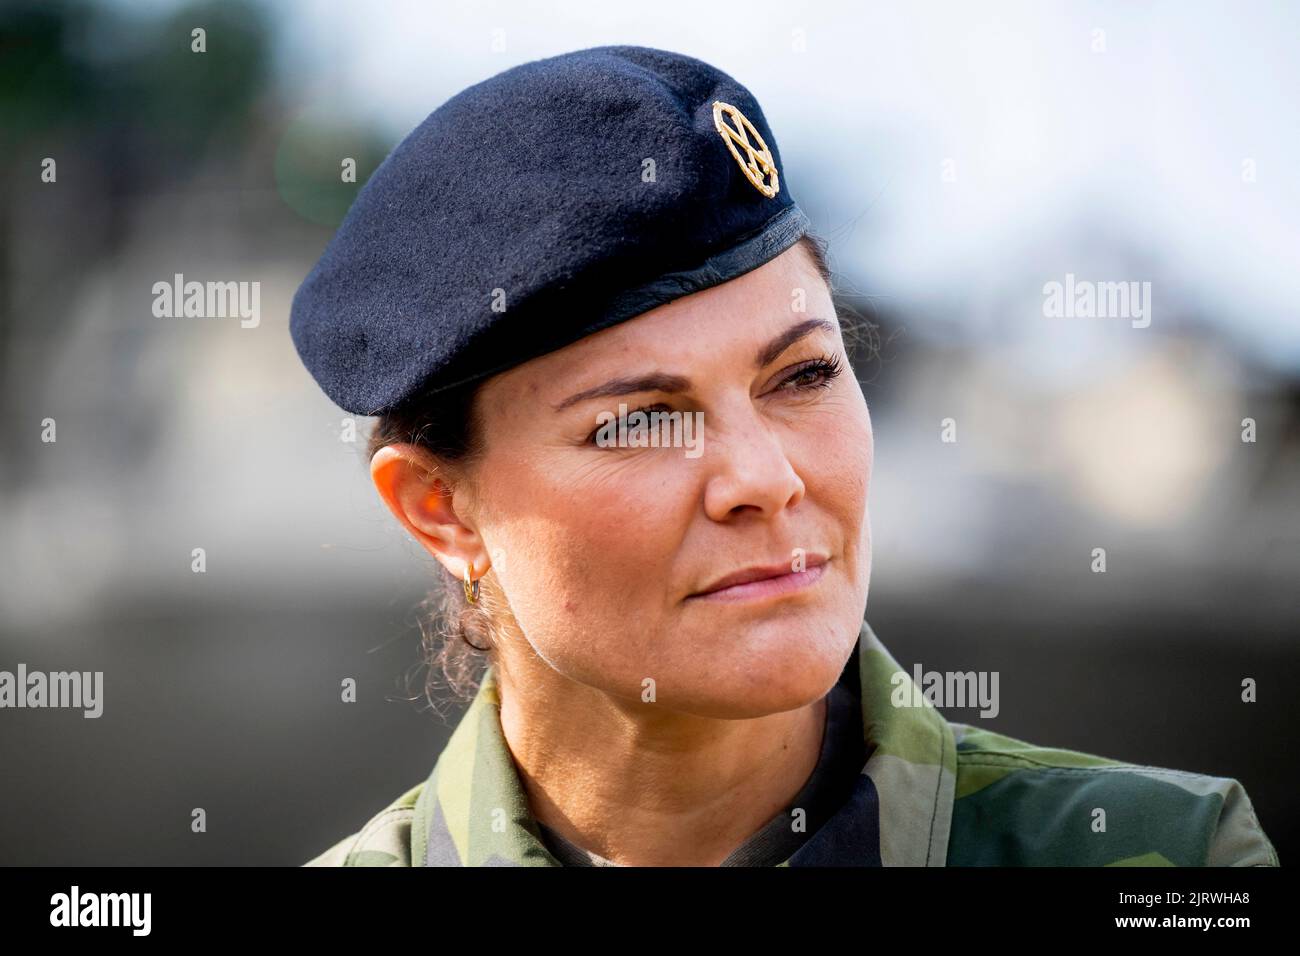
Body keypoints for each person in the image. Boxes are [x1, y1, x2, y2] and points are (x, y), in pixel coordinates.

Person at [290, 45, 1279, 867]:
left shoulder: (1165, 861)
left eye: (800, 375)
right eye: (639, 421)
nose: (766, 477)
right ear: (439, 510)